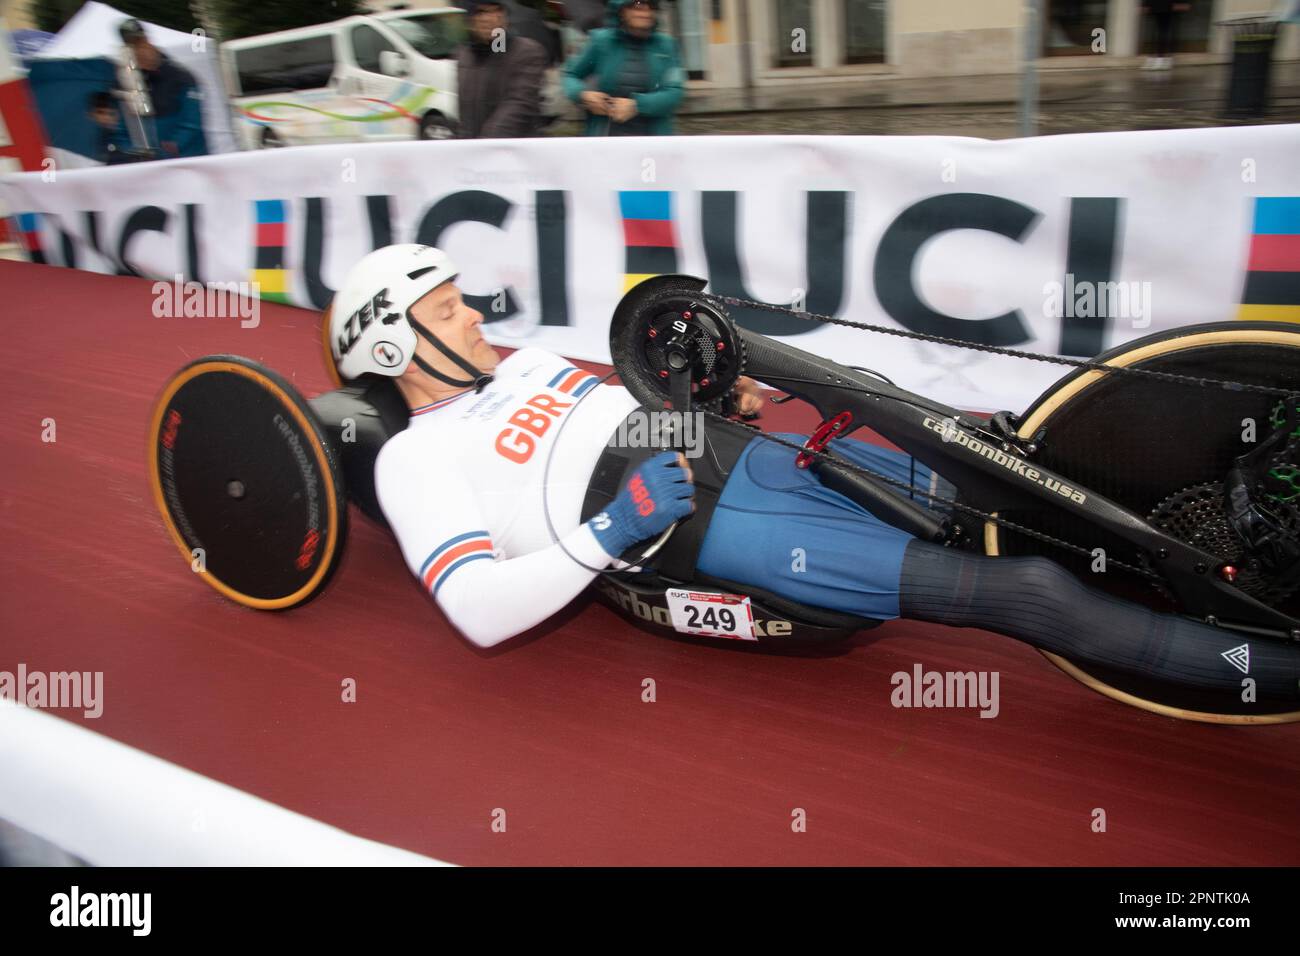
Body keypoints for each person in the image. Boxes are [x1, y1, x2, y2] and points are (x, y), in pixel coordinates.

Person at [325, 244, 1300, 705]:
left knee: (1004, 469)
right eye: (447, 313)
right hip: (702, 535)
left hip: (750, 456)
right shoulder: (418, 459)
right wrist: (609, 530)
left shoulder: (527, 362)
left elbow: (622, 418)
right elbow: (477, 610)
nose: (474, 319)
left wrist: (712, 406)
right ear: (388, 348)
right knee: (1028, 587)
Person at [562, 0, 684, 136]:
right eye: (638, 4)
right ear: (621, 11)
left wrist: (637, 106)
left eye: (652, 5)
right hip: (606, 137)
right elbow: (570, 75)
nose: (646, 10)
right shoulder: (601, 42)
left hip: (653, 141)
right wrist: (583, 95)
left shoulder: (666, 46)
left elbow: (674, 93)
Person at [116, 18, 207, 157]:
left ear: (148, 41)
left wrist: (170, 147)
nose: (139, 50)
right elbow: (122, 126)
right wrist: (132, 151)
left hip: (187, 158)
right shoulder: (127, 82)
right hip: (151, 164)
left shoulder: (179, 75)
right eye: (132, 46)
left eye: (141, 42)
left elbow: (193, 122)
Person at [456, 0, 548, 138]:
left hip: (514, 151)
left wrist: (486, 143)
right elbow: (465, 115)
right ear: (470, 20)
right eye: (481, 12)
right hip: (476, 151)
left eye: (497, 11)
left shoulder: (526, 51)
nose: (489, 18)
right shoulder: (464, 56)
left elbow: (519, 104)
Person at [86, 91, 132, 165]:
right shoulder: (90, 139)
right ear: (90, 114)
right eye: (100, 112)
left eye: (111, 114)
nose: (106, 117)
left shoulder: (127, 140)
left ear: (118, 115)